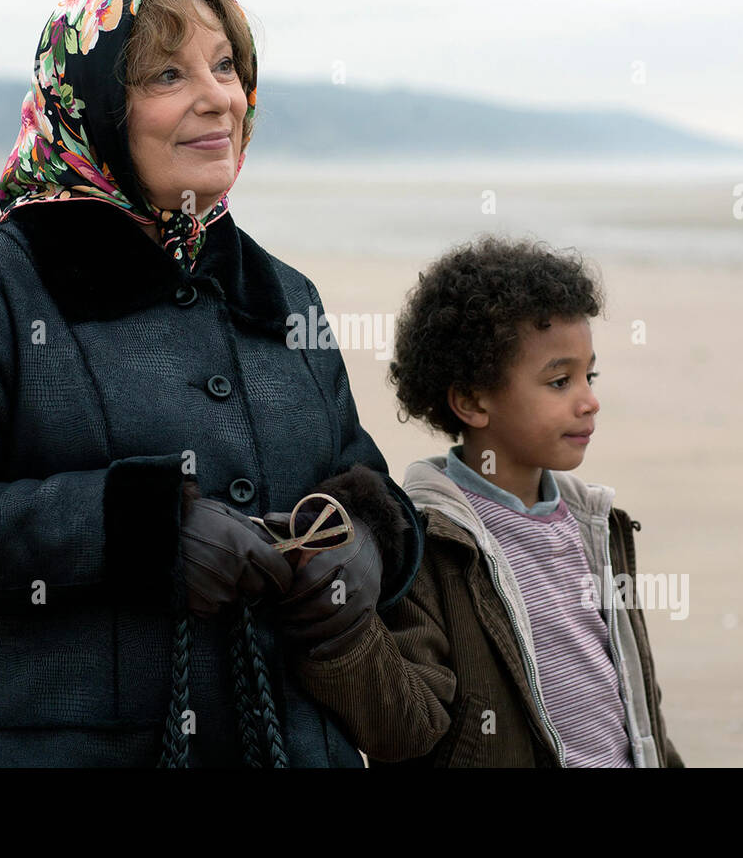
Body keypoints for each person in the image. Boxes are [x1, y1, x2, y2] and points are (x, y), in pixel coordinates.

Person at [0, 0, 422, 768]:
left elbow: (361, 474)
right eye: (167, 74)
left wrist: (369, 542)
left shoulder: (283, 294)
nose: (218, 96)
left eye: (227, 67)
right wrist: (138, 531)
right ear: (91, 108)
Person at [291, 236, 685, 766]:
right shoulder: (429, 543)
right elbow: (404, 729)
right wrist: (337, 628)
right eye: (559, 380)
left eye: (590, 376)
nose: (589, 400)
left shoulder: (596, 526)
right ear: (474, 400)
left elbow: (636, 704)